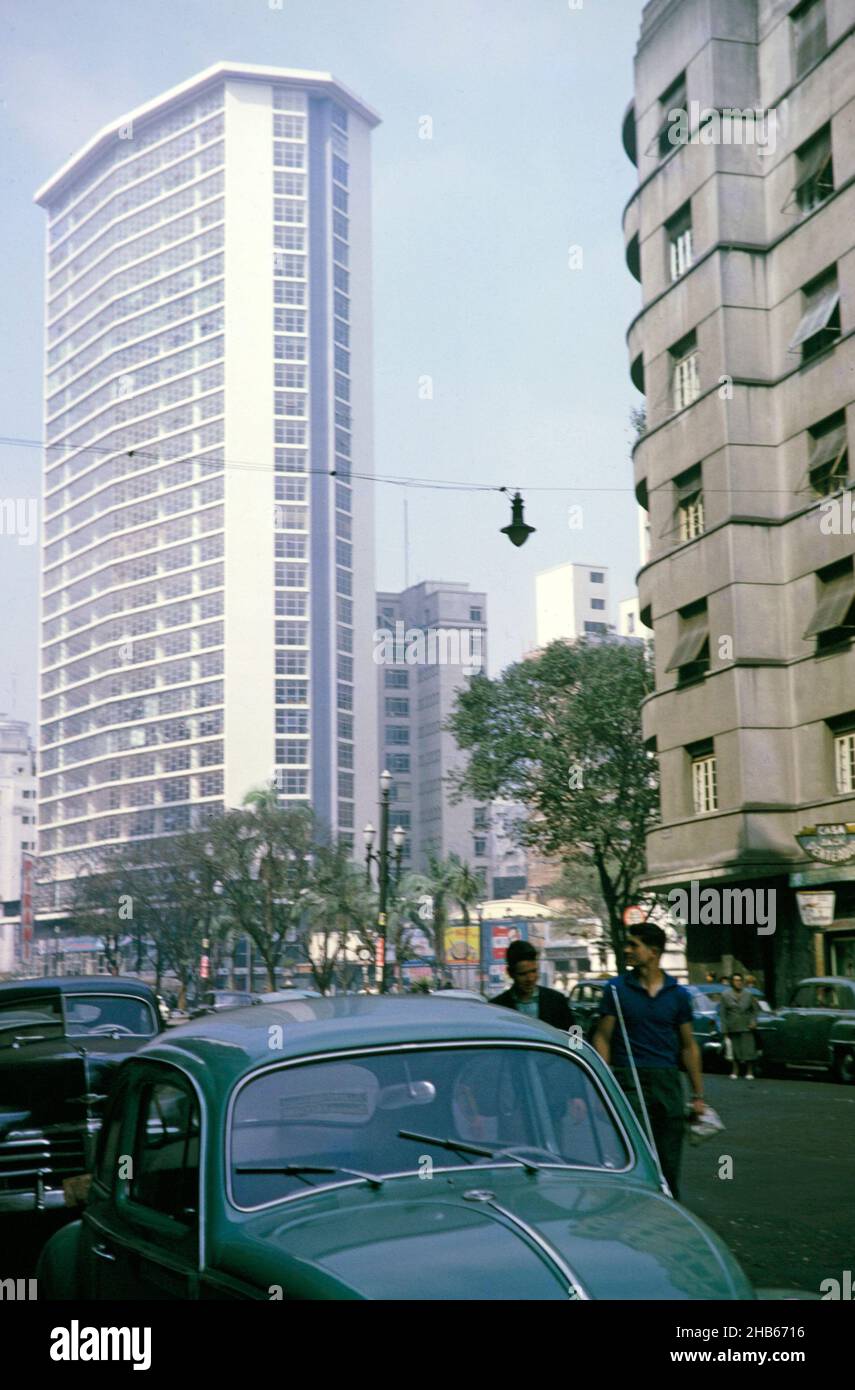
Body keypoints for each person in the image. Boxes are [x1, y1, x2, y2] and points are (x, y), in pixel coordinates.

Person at [593, 924, 704, 1200]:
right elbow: (603, 1038)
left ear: (653, 952)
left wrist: (698, 1094)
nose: (627, 950)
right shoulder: (616, 989)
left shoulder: (677, 994)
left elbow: (689, 1046)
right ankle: (634, 1206)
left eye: (633, 945)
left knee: (669, 1155)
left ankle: (669, 1208)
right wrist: (604, 1082)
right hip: (628, 1079)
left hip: (667, 1081)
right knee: (636, 1151)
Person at [491, 940, 575, 1029]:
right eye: (523, 974)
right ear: (510, 973)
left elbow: (575, 1037)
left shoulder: (557, 1001)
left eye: (533, 971)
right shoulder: (497, 1007)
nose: (530, 979)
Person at [720, 972, 760, 1079]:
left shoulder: (748, 994)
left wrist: (753, 1021)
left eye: (740, 980)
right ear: (732, 982)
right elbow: (722, 1013)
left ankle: (749, 1071)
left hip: (746, 1025)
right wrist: (724, 1029)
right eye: (736, 980)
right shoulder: (725, 995)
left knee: (749, 1049)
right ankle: (735, 1070)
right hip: (732, 1025)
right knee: (734, 1050)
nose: (738, 983)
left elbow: (755, 1010)